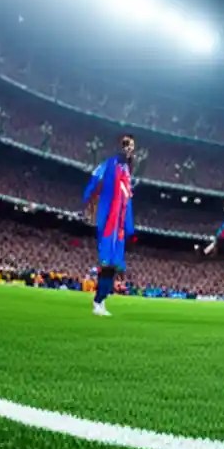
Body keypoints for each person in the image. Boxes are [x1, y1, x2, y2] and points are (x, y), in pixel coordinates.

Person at [82, 133, 136, 317]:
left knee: (113, 267)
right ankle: (97, 301)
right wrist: (88, 202)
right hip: (109, 222)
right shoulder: (109, 164)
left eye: (132, 146)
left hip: (119, 225)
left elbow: (128, 199)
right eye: (126, 144)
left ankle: (102, 300)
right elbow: (95, 180)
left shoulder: (127, 171)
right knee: (106, 264)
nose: (129, 148)